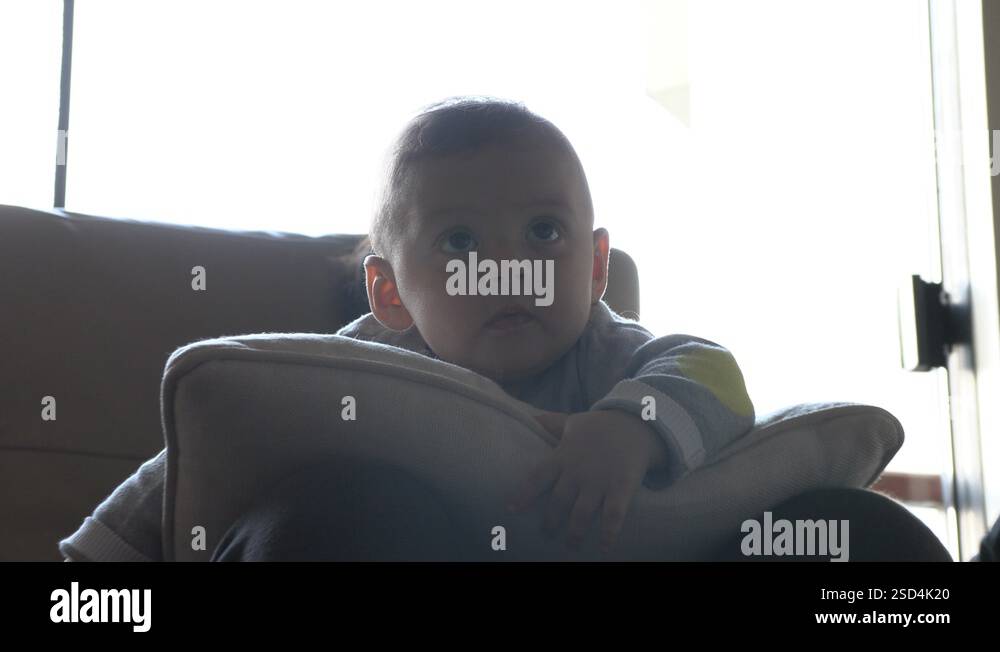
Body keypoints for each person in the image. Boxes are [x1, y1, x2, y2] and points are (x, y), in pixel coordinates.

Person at [61, 96, 758, 561]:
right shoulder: (356, 369)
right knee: (331, 510)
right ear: (390, 294)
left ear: (597, 265)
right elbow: (215, 440)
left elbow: (712, 371)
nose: (507, 268)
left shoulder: (613, 356)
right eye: (460, 244)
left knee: (842, 527)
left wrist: (631, 424)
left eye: (543, 231)